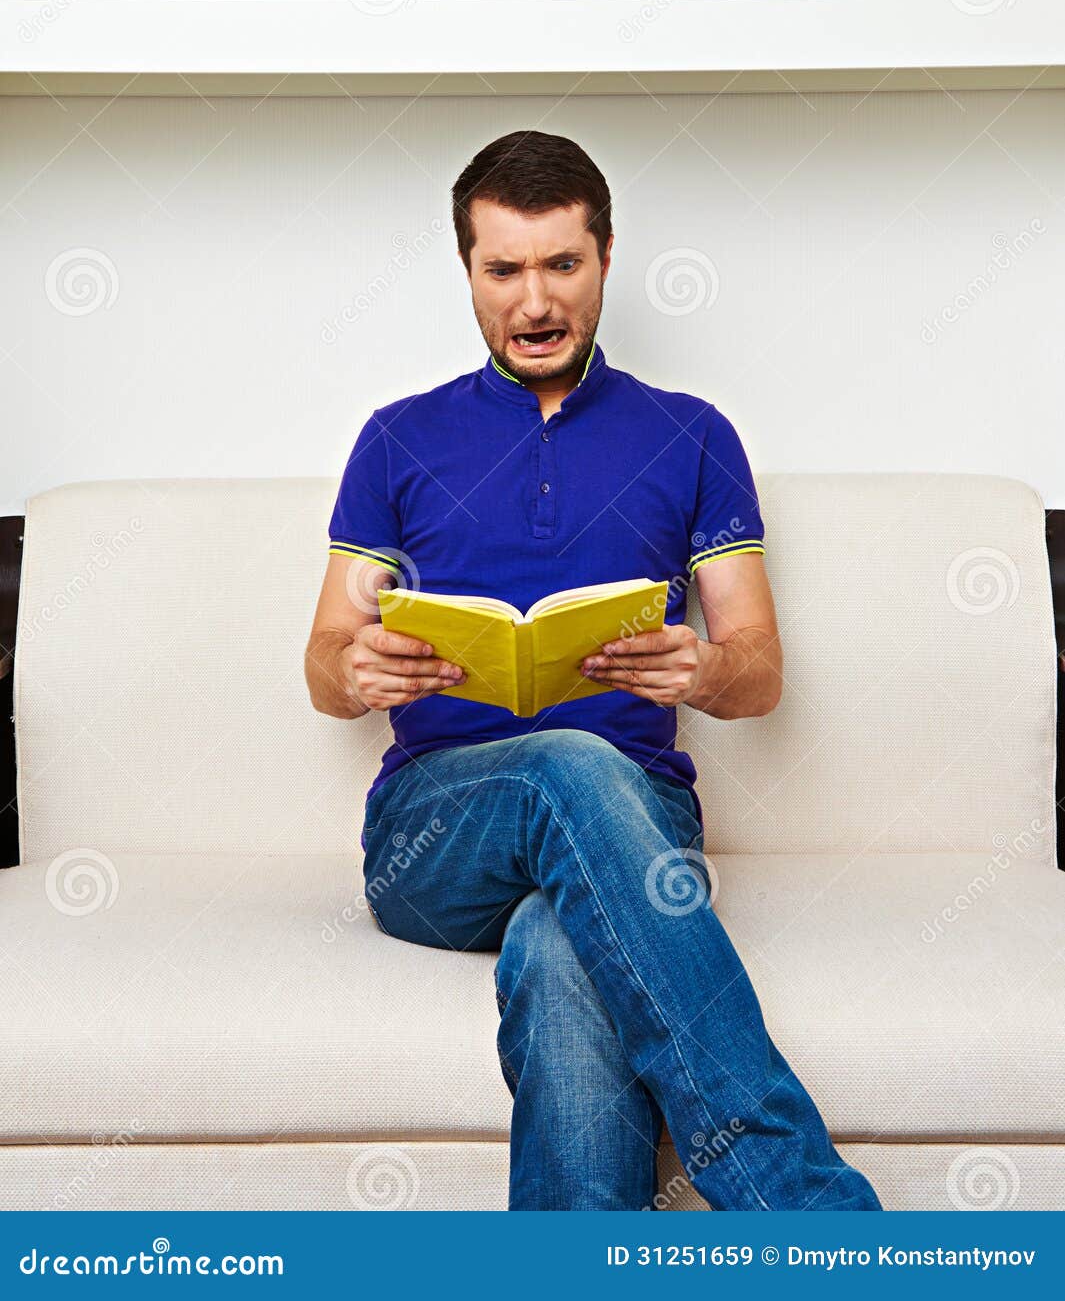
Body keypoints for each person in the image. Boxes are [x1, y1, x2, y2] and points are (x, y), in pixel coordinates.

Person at [305, 129, 882, 1213]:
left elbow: (759, 673)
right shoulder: (395, 437)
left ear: (606, 259)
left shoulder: (693, 434)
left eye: (562, 265)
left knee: (563, 952)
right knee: (560, 762)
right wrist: (360, 665)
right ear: (468, 272)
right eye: (504, 269)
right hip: (435, 834)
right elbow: (322, 663)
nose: (534, 302)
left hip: (636, 827)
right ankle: (808, 1211)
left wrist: (700, 668)